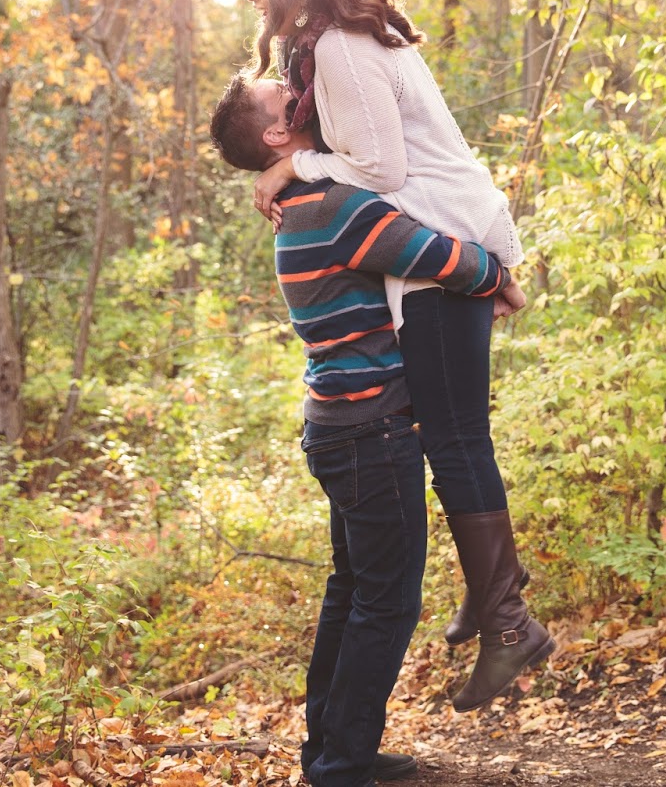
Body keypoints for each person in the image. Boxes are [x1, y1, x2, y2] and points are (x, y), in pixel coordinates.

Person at [242, 0, 552, 712]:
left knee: (451, 438)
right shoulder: (333, 43)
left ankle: (508, 621)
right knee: (452, 432)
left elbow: (382, 169)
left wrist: (292, 163)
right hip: (438, 244)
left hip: (438, 241)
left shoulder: (342, 46)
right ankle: (492, 590)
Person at [209, 74, 519, 787]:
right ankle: (341, 765)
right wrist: (495, 269)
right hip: (371, 432)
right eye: (281, 94)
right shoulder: (336, 210)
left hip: (340, 428)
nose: (298, 88)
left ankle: (334, 747)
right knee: (387, 599)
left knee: (353, 591)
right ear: (276, 135)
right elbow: (450, 261)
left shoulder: (303, 202)